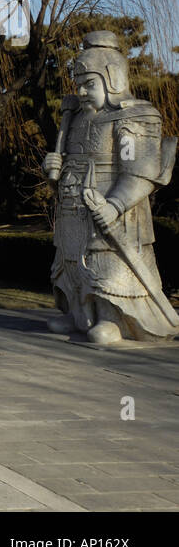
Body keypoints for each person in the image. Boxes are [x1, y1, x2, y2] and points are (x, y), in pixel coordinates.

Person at [42, 30, 179, 343]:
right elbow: (67, 161)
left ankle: (113, 318)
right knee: (74, 259)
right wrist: (53, 170)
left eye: (90, 83)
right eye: (78, 84)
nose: (82, 91)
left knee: (107, 262)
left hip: (112, 202)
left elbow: (141, 171)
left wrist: (115, 204)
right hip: (73, 202)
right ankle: (79, 315)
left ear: (113, 79)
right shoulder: (75, 118)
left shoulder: (133, 116)